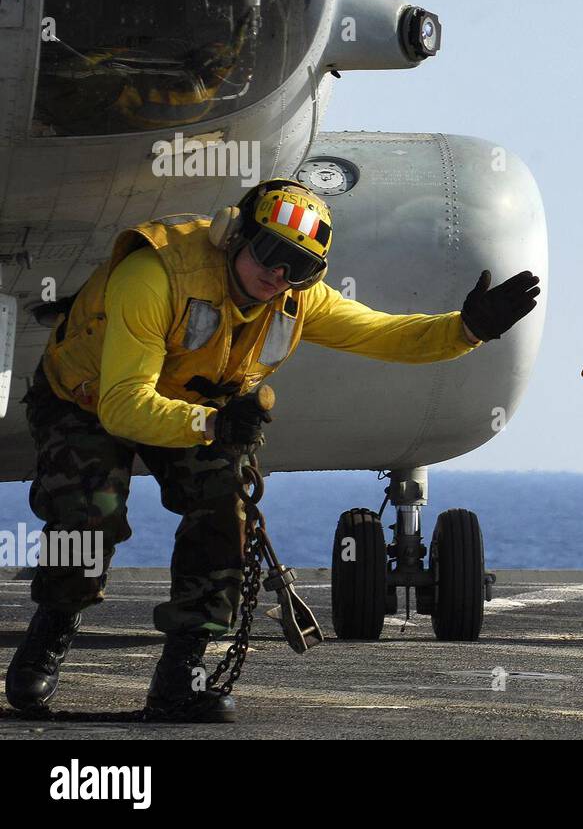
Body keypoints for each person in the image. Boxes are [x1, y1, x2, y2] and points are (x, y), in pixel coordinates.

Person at [5, 178, 540, 720]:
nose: (278, 275)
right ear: (233, 233)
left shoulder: (293, 299)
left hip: (196, 408)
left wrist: (468, 329)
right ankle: (50, 630)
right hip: (89, 397)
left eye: (298, 267)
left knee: (224, 514)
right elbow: (123, 406)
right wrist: (213, 424)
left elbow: (384, 335)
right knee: (87, 517)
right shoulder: (155, 275)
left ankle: (179, 681)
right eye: (269, 253)